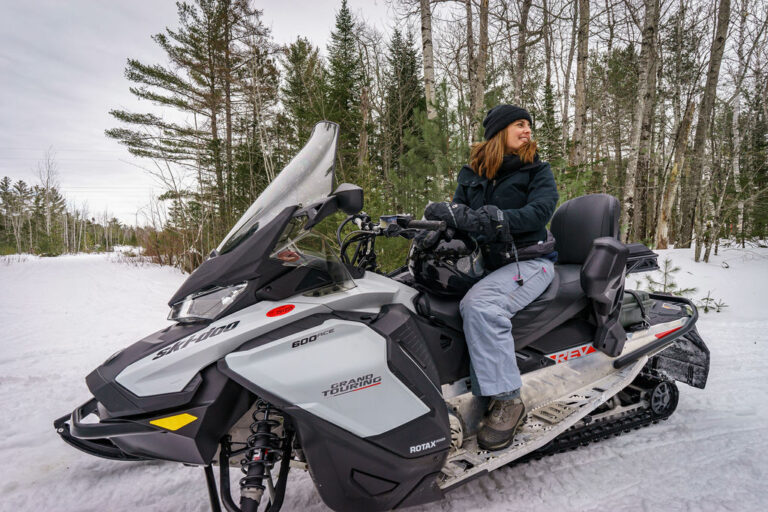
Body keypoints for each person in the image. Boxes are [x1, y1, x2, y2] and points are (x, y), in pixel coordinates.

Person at [425, 105, 559, 450]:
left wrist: (492, 219)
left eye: (529, 124)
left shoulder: (537, 170)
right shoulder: (472, 173)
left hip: (528, 262)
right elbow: (460, 216)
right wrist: (439, 224)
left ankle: (507, 400)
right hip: (484, 264)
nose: (528, 130)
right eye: (520, 124)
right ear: (499, 131)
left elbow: (539, 213)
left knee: (481, 306)